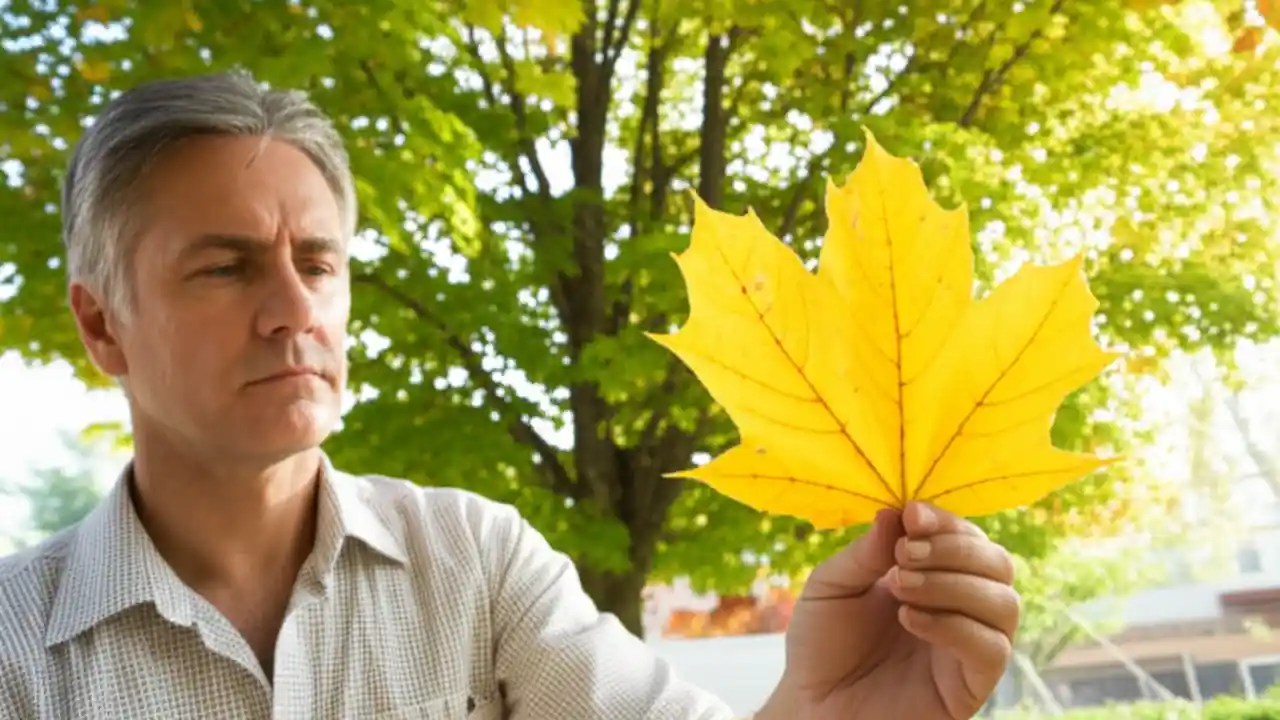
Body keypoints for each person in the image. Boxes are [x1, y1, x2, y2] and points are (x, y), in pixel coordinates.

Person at [0, 70, 1020, 719]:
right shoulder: (18, 654)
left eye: (318, 263)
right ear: (101, 325)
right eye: (225, 268)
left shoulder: (475, 565)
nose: (291, 309)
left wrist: (827, 706)